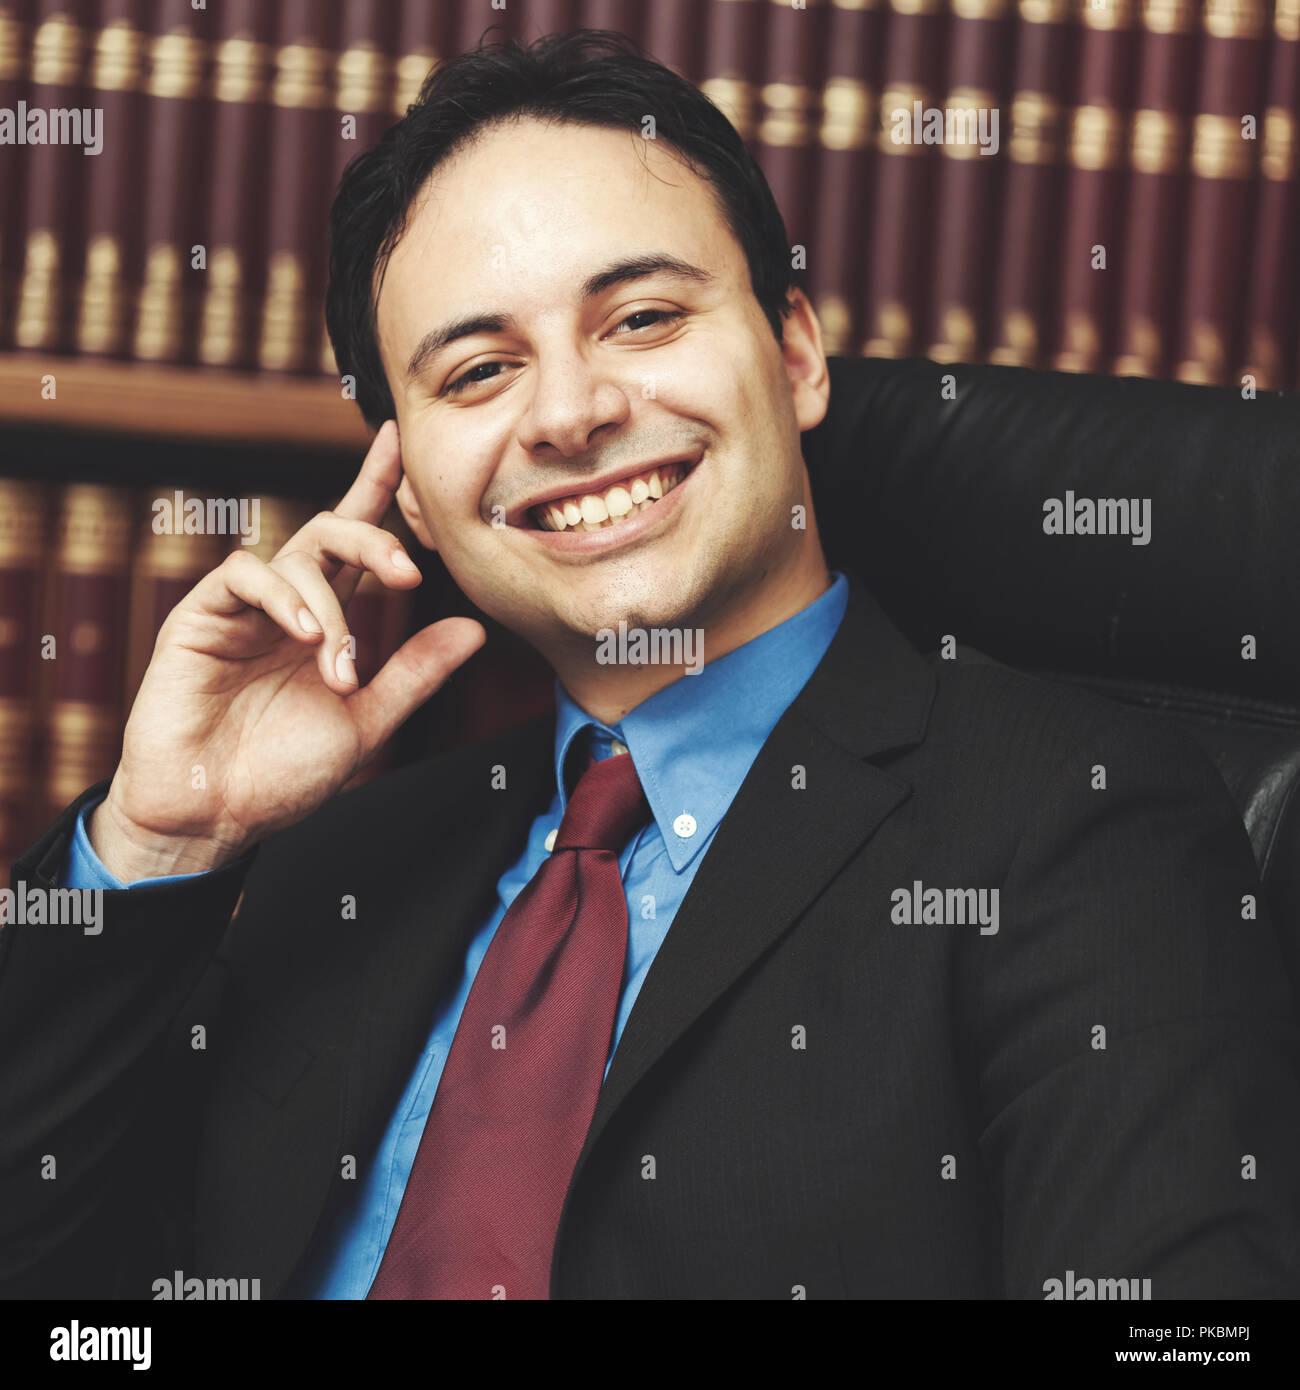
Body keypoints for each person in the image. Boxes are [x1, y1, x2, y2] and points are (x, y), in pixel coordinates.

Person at [2, 31, 1297, 1301]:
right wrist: (157, 839)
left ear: (794, 356)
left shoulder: (1078, 821)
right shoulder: (342, 865)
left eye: (643, 315)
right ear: (411, 497)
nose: (569, 413)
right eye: (481, 369)